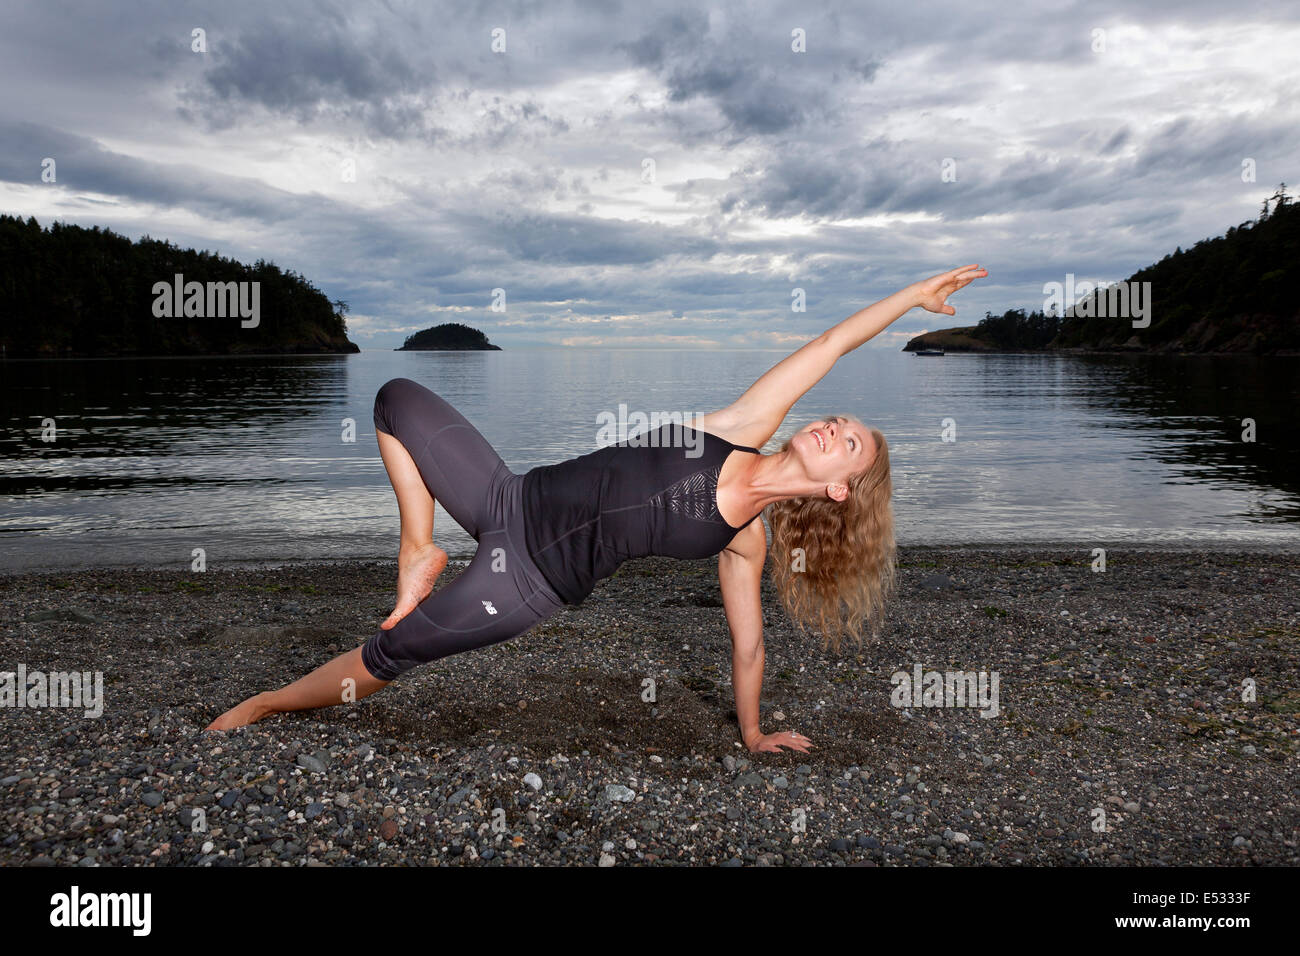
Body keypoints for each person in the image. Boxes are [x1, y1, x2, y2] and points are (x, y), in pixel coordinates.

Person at [207, 265, 987, 752]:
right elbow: (827, 346)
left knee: (397, 652)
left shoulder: (744, 540)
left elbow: (747, 648)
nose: (835, 427)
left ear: (838, 490)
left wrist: (752, 734)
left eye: (849, 445)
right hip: (508, 494)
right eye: (843, 422)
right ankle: (419, 547)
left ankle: (269, 703)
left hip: (528, 582)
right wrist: (912, 297)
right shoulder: (742, 425)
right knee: (393, 398)